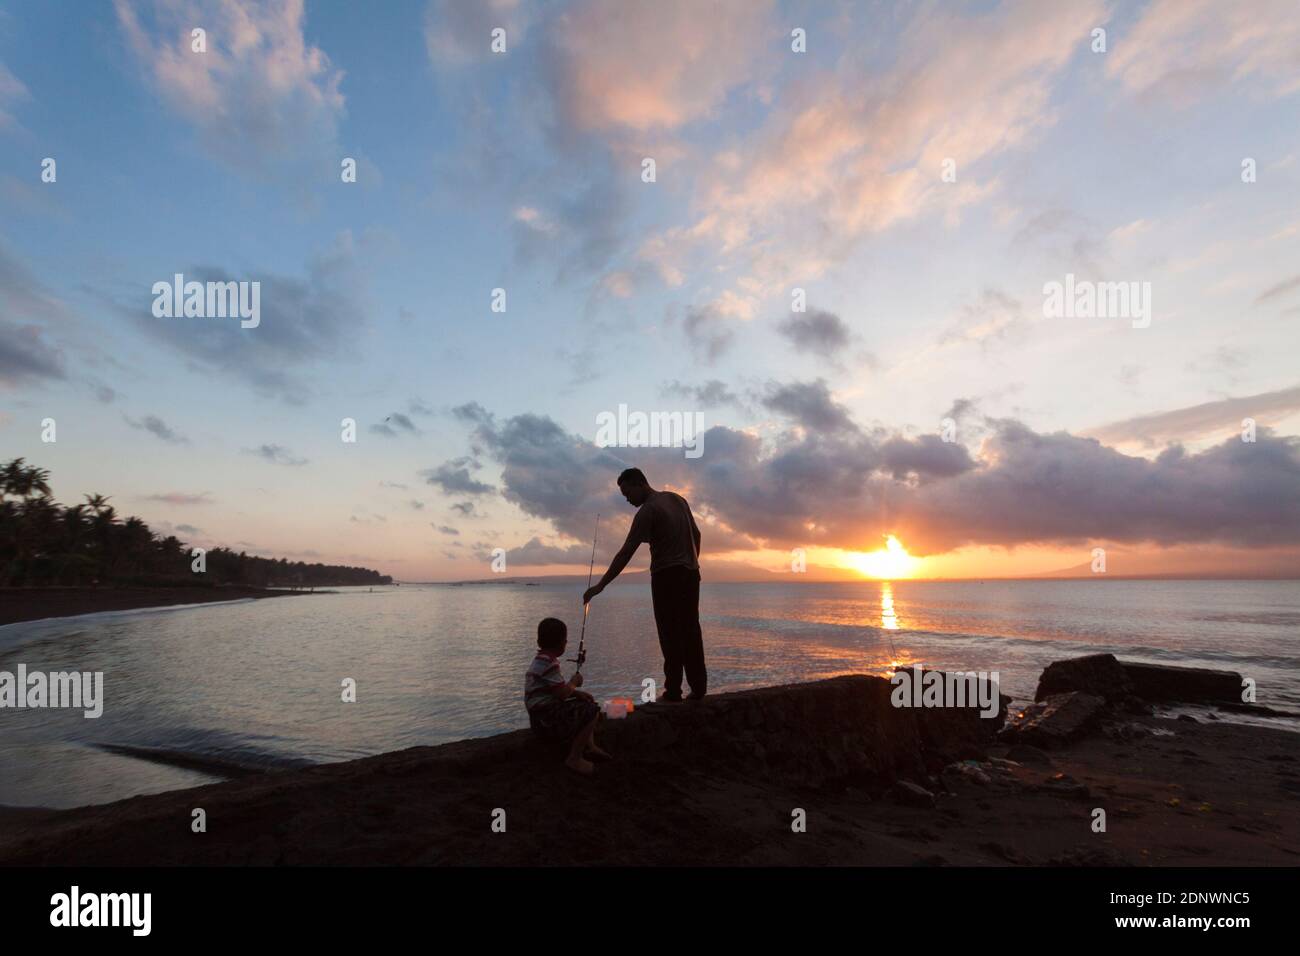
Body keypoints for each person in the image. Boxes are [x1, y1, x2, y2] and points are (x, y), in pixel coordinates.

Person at [583, 468, 706, 702]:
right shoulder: (677, 499)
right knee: (691, 630)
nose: (627, 499)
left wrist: (601, 585)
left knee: (669, 634)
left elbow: (626, 552)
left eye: (627, 492)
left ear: (640, 483)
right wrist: (692, 561)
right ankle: (699, 688)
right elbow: (697, 534)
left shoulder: (647, 512)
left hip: (666, 576)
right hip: (691, 574)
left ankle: (673, 691)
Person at [524, 617, 609, 774]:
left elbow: (554, 691)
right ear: (562, 644)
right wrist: (574, 682)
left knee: (586, 703)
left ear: (539, 641)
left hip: (539, 719)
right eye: (565, 640)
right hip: (546, 721)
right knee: (591, 711)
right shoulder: (550, 664)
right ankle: (574, 758)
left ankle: (589, 747)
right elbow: (562, 694)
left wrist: (577, 694)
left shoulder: (540, 661)